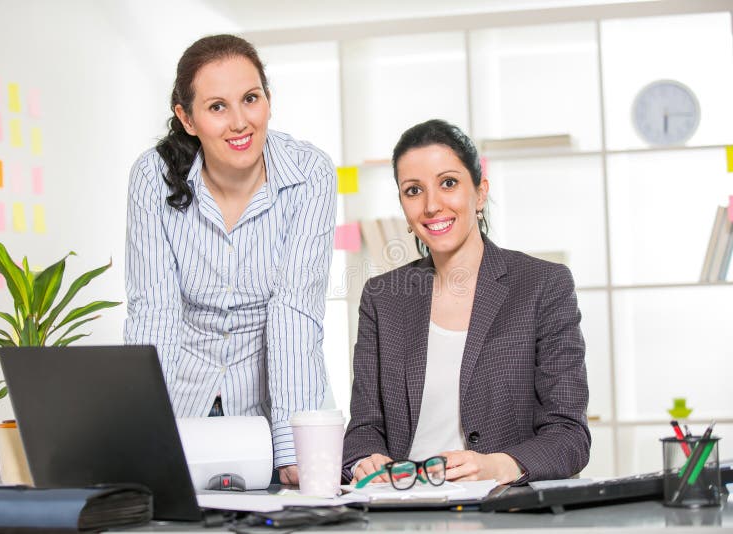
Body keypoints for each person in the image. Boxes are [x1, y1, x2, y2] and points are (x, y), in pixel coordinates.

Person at [124, 34, 336, 485]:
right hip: (183, 402)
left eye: (250, 99)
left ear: (268, 101)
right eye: (217, 106)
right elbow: (154, 313)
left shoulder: (310, 174)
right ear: (187, 118)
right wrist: (143, 431)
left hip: (277, 408)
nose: (240, 122)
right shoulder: (152, 177)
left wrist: (289, 447)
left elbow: (294, 312)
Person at [342, 119, 590, 485]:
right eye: (413, 190)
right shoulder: (382, 298)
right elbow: (363, 429)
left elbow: (570, 435)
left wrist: (500, 466)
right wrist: (364, 459)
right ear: (404, 209)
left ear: (480, 192)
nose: (431, 205)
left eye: (448, 183)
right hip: (403, 509)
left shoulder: (543, 286)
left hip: (503, 509)